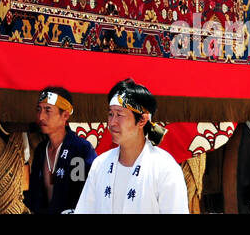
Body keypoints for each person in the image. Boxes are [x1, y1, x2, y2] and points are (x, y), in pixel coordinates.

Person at [74, 78, 187, 214]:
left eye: (120, 115)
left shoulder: (165, 168)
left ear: (142, 120)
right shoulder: (100, 164)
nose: (112, 122)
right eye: (111, 114)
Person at [24, 86, 97, 214]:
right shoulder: (41, 150)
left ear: (65, 115)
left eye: (48, 110)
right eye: (38, 110)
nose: (41, 117)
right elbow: (34, 195)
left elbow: (81, 191)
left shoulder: (78, 149)